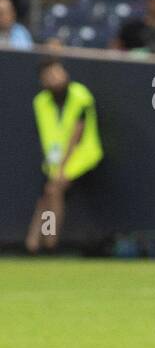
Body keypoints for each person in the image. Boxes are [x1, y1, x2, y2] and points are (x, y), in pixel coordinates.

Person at [27, 59, 103, 254]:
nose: (57, 78)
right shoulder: (41, 102)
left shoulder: (80, 95)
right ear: (43, 81)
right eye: (51, 75)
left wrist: (61, 170)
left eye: (59, 73)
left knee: (53, 190)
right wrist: (54, 167)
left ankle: (49, 242)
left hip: (82, 157)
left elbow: (75, 137)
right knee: (46, 196)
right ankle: (33, 244)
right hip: (54, 161)